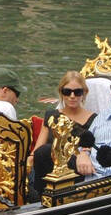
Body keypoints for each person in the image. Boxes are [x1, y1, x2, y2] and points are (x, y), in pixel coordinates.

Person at [28, 71, 95, 199]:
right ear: (61, 93)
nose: (72, 96)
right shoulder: (51, 115)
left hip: (74, 170)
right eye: (67, 92)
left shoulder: (93, 119)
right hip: (45, 166)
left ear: (84, 93)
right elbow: (37, 149)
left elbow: (91, 149)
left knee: (46, 151)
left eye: (77, 92)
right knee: (43, 152)